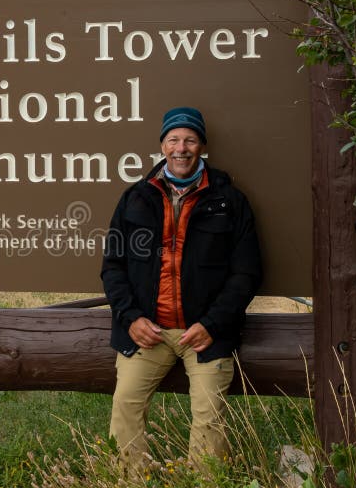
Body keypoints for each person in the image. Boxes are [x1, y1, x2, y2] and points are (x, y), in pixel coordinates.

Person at [101, 106, 262, 468]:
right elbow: (113, 267)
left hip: (204, 334)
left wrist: (212, 324)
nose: (181, 147)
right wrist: (131, 319)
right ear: (162, 146)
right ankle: (129, 486)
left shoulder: (229, 201)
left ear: (201, 145)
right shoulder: (136, 198)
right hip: (148, 332)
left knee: (209, 421)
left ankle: (205, 486)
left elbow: (246, 273)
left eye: (190, 139)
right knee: (125, 405)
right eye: (173, 139)